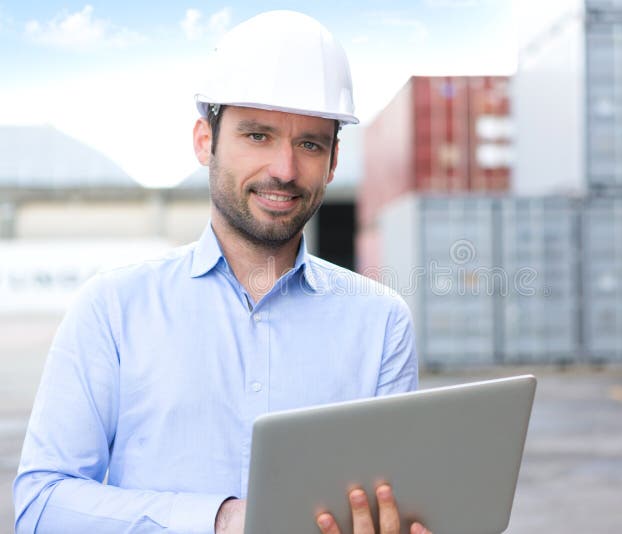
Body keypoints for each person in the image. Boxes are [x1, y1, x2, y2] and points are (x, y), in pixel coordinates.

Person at [14, 10, 429, 534]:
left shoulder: (381, 323)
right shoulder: (113, 309)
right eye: (258, 136)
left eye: (309, 144)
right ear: (205, 141)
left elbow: (397, 495)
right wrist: (219, 519)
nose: (284, 168)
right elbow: (41, 505)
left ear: (333, 161)